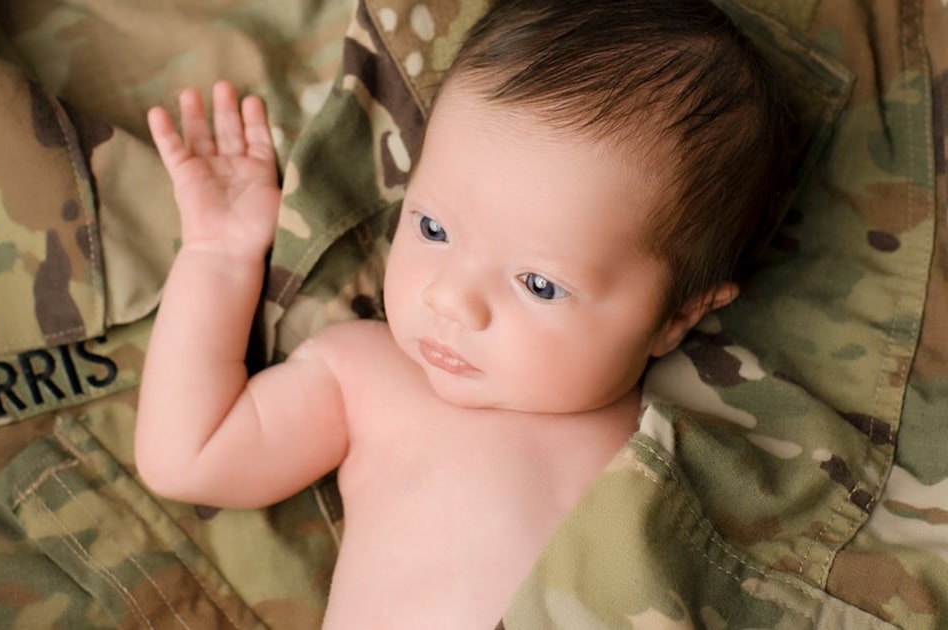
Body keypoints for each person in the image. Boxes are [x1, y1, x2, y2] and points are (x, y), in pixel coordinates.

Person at [135, 0, 790, 626]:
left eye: (538, 284)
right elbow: (189, 456)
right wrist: (219, 256)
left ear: (677, 317)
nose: (448, 299)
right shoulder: (366, 376)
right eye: (434, 228)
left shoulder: (696, 442)